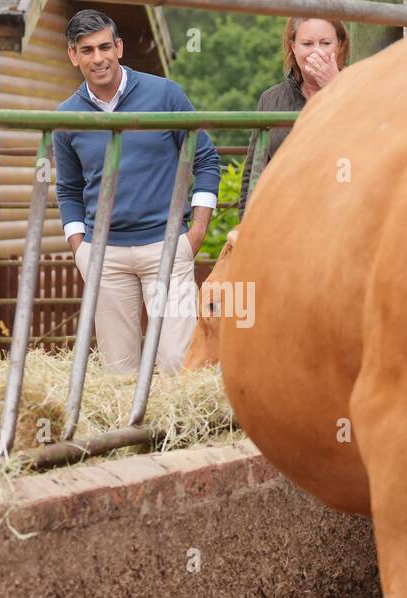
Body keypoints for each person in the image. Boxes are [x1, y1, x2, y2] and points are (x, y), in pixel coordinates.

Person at [53, 9, 220, 375]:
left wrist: (196, 234)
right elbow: (68, 189)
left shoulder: (165, 94)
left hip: (166, 246)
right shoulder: (66, 116)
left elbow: (205, 159)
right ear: (73, 55)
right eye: (87, 50)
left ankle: (174, 433)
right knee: (119, 371)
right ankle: (129, 434)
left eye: (104, 47)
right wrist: (80, 248)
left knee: (178, 360)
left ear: (119, 47)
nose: (98, 58)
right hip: (104, 255)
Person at [239, 18, 348, 218]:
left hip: (342, 213)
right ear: (293, 46)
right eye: (307, 44)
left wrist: (337, 87)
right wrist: (245, 226)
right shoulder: (271, 99)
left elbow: (369, 151)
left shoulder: (362, 88)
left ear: (339, 45)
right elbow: (254, 170)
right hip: (284, 217)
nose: (317, 52)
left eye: (326, 43)